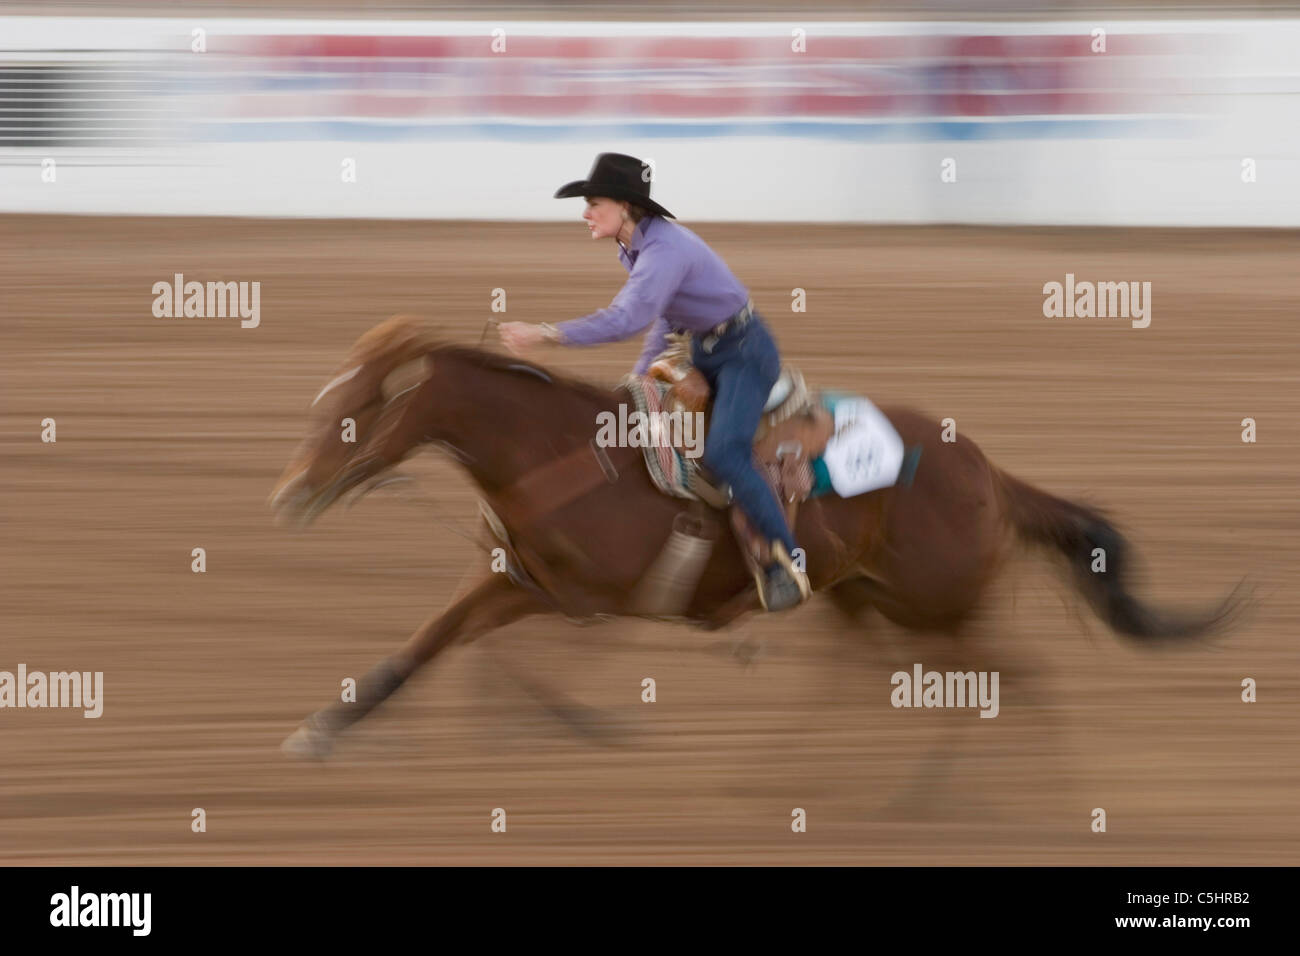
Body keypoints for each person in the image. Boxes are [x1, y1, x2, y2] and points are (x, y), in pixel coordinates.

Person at [499, 152, 810, 611]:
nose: (585, 213)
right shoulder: (634, 246)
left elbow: (626, 319)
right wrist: (641, 375)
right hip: (708, 349)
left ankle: (788, 561)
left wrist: (547, 334)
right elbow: (665, 315)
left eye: (595, 203)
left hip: (746, 354)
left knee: (725, 450)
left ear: (626, 206)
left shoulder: (664, 251)